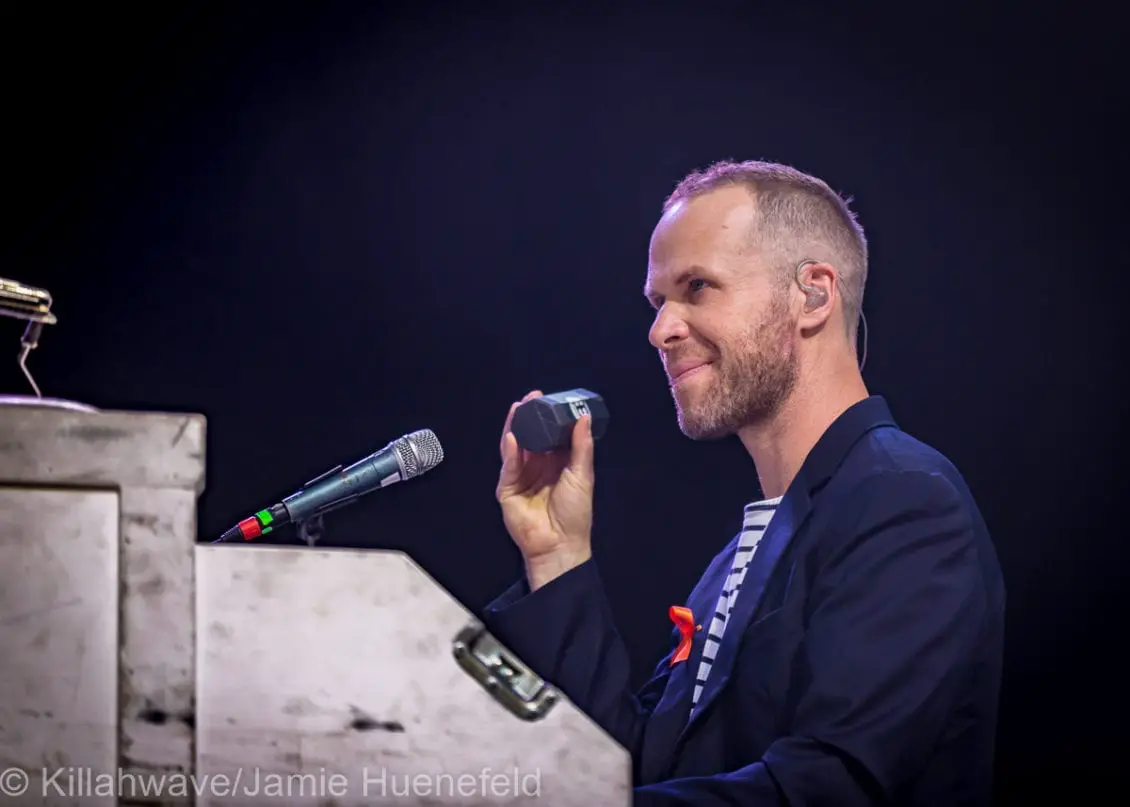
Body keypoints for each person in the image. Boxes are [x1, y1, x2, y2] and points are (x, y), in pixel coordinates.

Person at [481, 160, 1006, 806]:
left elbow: (828, 788)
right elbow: (632, 770)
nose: (660, 330)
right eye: (658, 302)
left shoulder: (905, 501)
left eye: (697, 286)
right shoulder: (740, 557)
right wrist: (557, 557)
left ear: (813, 295)